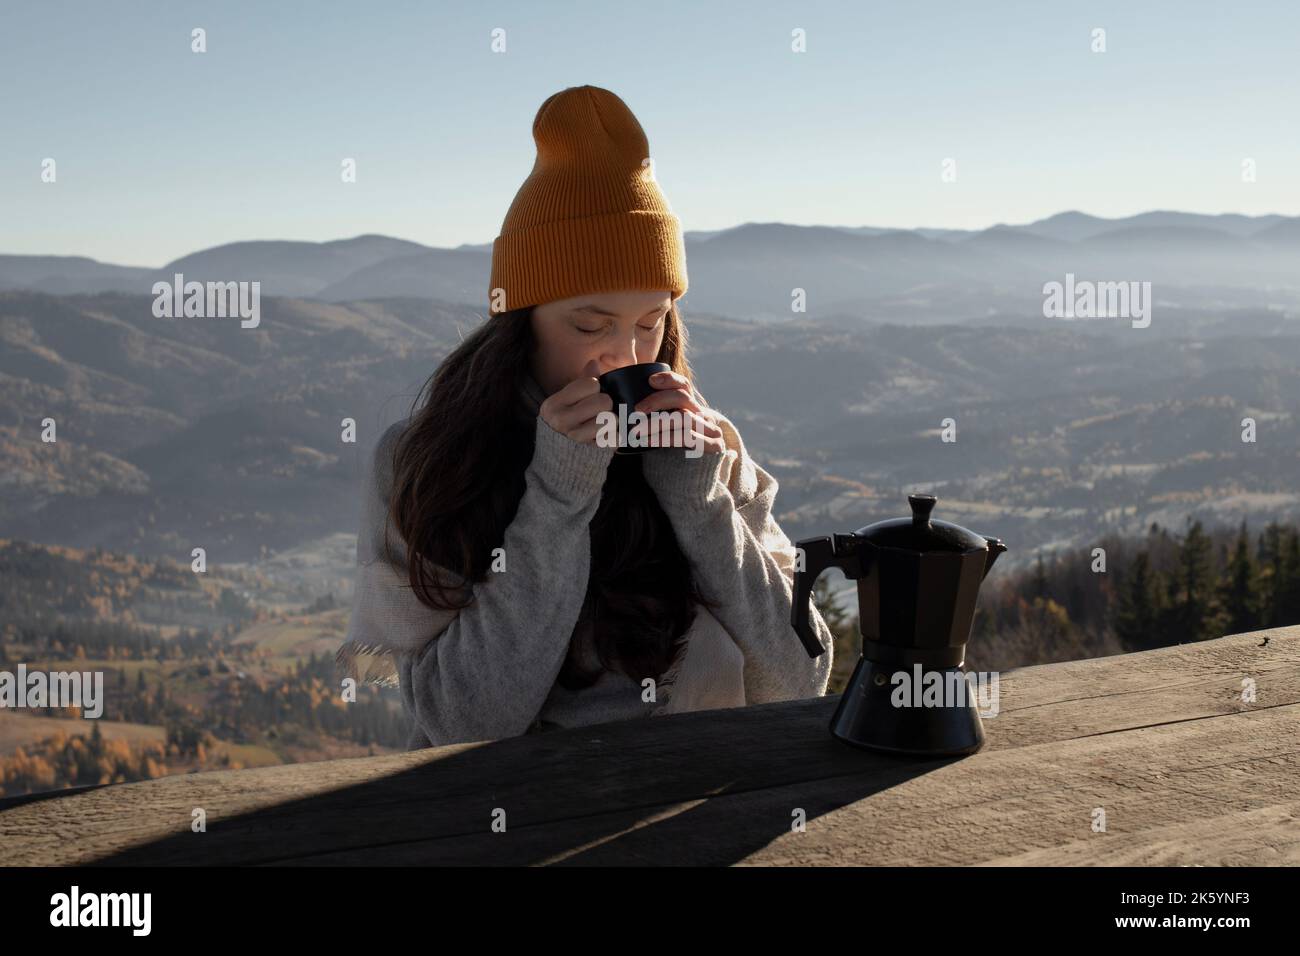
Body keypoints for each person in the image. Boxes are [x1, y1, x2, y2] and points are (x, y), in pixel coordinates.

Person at [336, 85, 834, 749]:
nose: (622, 355)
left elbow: (798, 682)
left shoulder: (709, 451)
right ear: (520, 324)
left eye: (650, 323)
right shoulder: (427, 462)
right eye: (589, 324)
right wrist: (557, 496)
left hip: (685, 812)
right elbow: (460, 723)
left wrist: (701, 505)